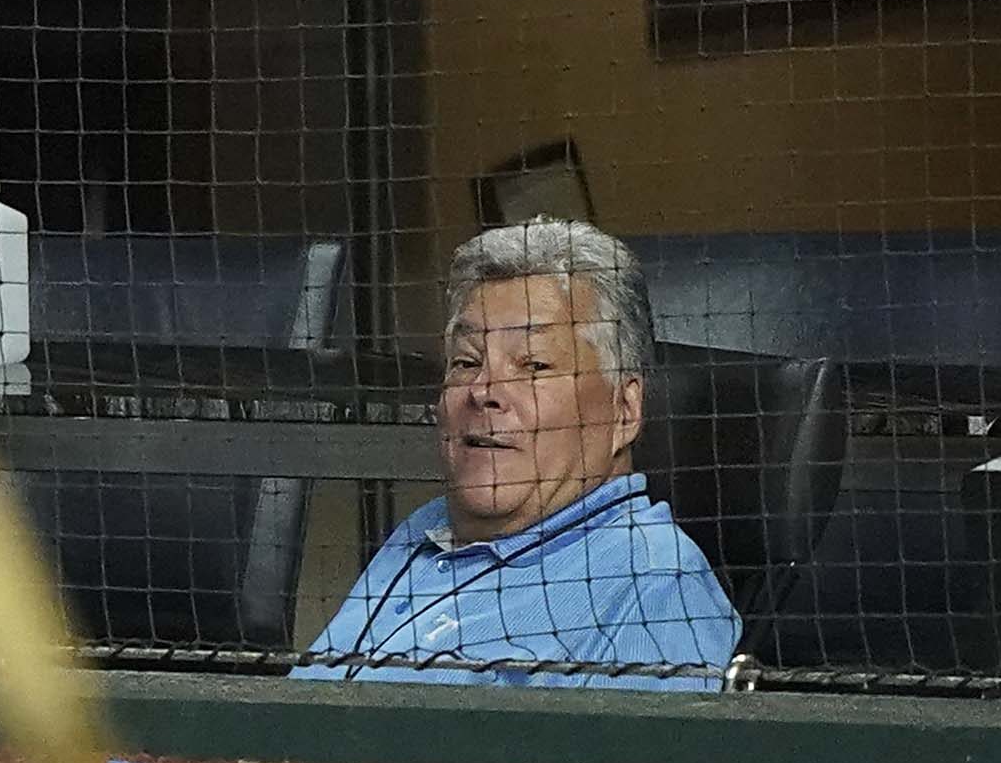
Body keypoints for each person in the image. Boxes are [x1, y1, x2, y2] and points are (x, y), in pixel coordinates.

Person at [295, 219, 736, 688]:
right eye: (466, 362)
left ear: (625, 409)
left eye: (534, 365)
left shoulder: (655, 587)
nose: (484, 391)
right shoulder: (424, 530)